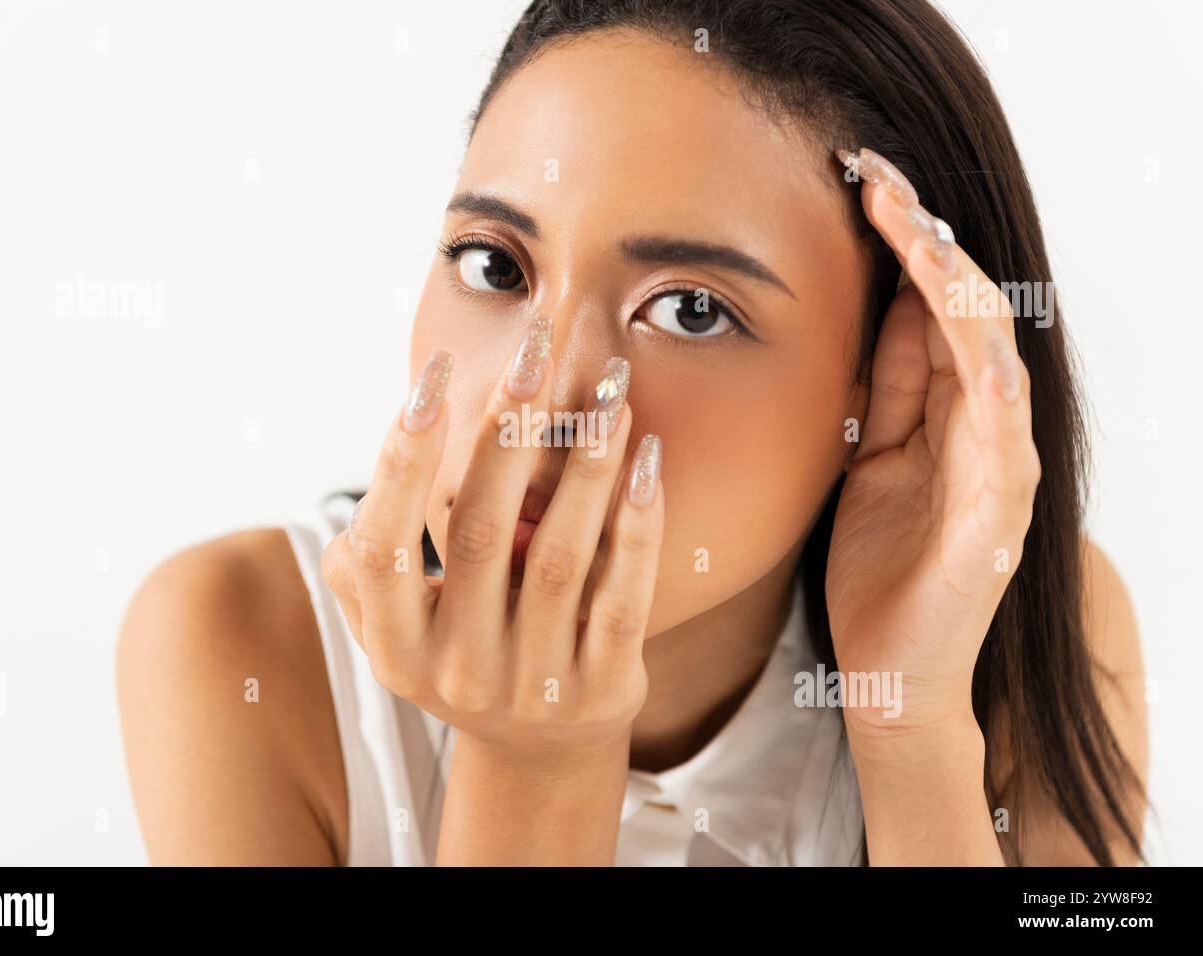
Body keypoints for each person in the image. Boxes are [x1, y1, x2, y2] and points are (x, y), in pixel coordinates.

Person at [117, 0, 1148, 866]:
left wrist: (909, 725)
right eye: (496, 265)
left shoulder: (1016, 630)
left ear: (887, 380)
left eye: (691, 309)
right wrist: (534, 762)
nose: (544, 398)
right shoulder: (241, 639)